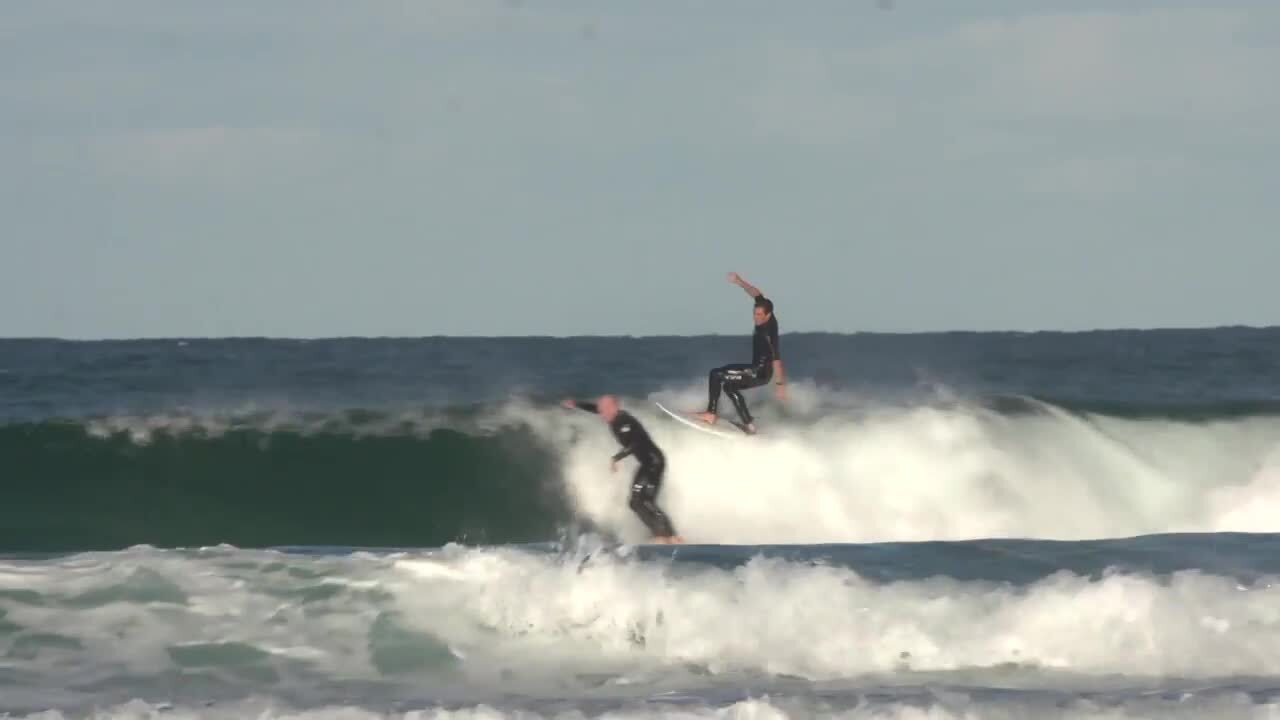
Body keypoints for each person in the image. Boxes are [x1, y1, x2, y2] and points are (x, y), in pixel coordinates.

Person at [561, 395, 684, 544]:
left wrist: (616, 458)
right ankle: (661, 534)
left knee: (644, 501)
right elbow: (596, 409)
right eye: (601, 410)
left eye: (604, 410)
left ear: (614, 408)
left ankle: (671, 536)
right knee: (635, 503)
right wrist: (576, 404)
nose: (601, 413)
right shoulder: (613, 416)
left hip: (653, 462)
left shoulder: (623, 422)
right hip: (648, 463)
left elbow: (636, 444)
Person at [692, 272, 786, 434]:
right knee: (729, 387)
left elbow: (776, 358)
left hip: (758, 373)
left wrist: (780, 385)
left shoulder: (768, 332)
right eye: (754, 313)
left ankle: (710, 414)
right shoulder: (765, 309)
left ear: (768, 315)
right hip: (758, 370)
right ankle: (750, 426)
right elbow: (756, 293)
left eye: (759, 315)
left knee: (716, 374)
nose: (756, 317)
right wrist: (740, 282)